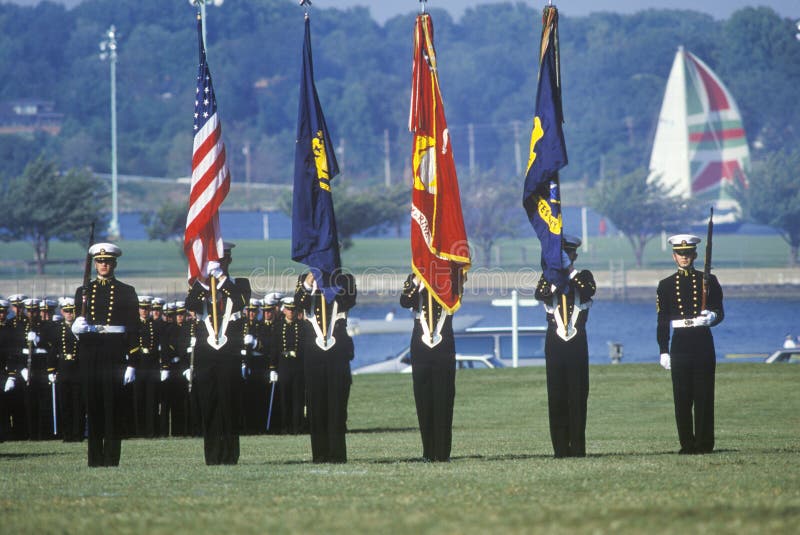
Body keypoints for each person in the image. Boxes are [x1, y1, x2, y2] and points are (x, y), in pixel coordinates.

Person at [72, 242, 139, 467]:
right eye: (100, 262)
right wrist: (76, 328)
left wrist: (133, 362)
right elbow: (77, 327)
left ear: (114, 263)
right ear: (94, 264)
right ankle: (94, 459)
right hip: (91, 352)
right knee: (93, 405)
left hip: (114, 352)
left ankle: (111, 458)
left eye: (107, 261)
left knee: (112, 406)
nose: (103, 265)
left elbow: (134, 328)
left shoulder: (126, 291)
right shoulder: (83, 291)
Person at [657, 233, 724, 455]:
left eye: (687, 253)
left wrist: (712, 317)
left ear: (694, 254)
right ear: (674, 256)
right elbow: (662, 321)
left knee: (704, 396)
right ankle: (687, 444)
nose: (684, 257)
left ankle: (704, 444)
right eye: (680, 254)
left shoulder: (709, 280)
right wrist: (663, 351)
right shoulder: (665, 285)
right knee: (682, 397)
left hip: (702, 341)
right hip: (681, 344)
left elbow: (720, 311)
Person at [185, 243, 250, 465]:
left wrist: (221, 279)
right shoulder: (200, 285)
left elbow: (242, 302)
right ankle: (212, 455)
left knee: (229, 402)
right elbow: (190, 304)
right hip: (206, 353)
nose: (219, 264)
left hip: (229, 352)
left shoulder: (239, 284)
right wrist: (205, 282)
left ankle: (230, 454)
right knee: (209, 403)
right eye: (215, 262)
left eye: (222, 261)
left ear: (228, 261)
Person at [534, 234, 596, 458]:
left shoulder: (583, 276)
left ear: (574, 255)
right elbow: (539, 294)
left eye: (568, 254)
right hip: (555, 343)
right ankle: (560, 449)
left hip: (577, 343)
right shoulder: (547, 277)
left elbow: (588, 290)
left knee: (578, 395)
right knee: (557, 395)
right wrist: (554, 278)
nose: (564, 258)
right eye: (561, 254)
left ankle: (578, 448)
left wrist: (569, 270)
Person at [294, 271, 356, 463]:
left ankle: (337, 454)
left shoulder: (345, 279)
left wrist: (328, 281)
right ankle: (319, 454)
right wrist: (309, 282)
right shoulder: (304, 279)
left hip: (337, 348)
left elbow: (347, 301)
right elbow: (299, 303)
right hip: (313, 349)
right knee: (316, 404)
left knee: (337, 403)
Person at [399, 273, 459, 462]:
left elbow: (454, 296)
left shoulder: (452, 274)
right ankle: (428, 451)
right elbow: (405, 301)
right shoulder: (414, 277)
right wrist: (418, 280)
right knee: (423, 398)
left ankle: (442, 453)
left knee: (444, 398)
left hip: (444, 343)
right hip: (420, 344)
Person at [269, 297, 305, 435]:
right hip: (284, 366)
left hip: (297, 366)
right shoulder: (278, 326)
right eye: (288, 309)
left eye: (293, 310)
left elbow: (304, 348)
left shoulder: (302, 326)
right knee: (284, 398)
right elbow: (274, 348)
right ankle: (285, 427)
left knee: (298, 398)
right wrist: (273, 368)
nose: (291, 312)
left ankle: (298, 427)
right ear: (284, 310)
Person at [51, 297, 83, 442]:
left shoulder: (81, 327)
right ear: (62, 312)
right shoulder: (58, 329)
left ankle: (78, 433)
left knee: (78, 403)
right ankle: (67, 434)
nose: (69, 314)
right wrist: (51, 370)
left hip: (77, 368)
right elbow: (53, 350)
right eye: (67, 311)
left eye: (72, 311)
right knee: (65, 403)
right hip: (63, 367)